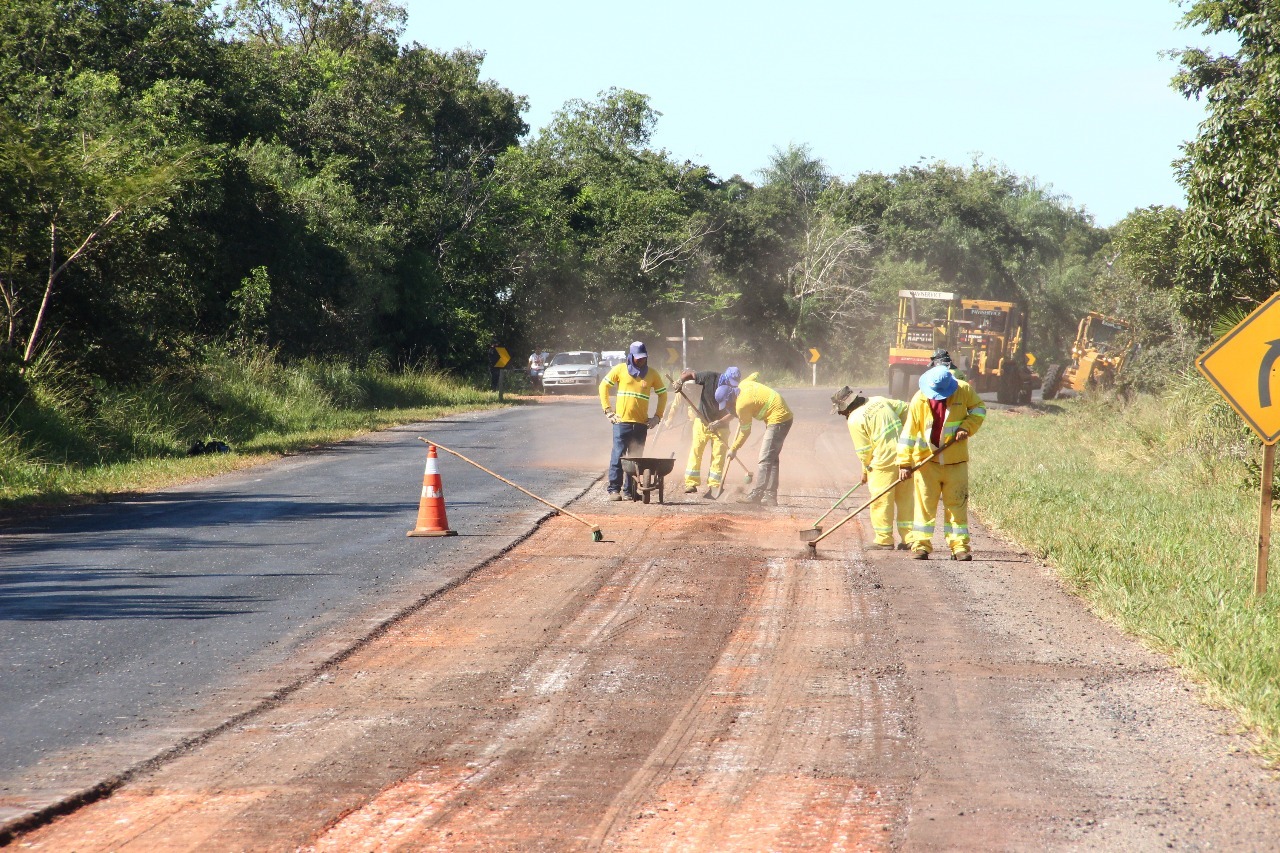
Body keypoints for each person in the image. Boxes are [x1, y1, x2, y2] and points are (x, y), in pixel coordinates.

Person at [896, 364, 986, 560]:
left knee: (956, 505)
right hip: (926, 464)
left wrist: (967, 427)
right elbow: (908, 434)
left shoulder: (963, 390)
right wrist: (904, 463)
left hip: (956, 462)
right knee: (924, 507)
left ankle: (959, 547)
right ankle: (921, 546)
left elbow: (979, 410)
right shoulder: (919, 399)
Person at [833, 386, 913, 550]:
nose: (841, 414)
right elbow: (907, 409)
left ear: (846, 406)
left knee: (881, 501)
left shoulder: (854, 419)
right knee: (905, 499)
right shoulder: (879, 400)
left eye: (841, 410)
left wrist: (865, 471)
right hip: (905, 456)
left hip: (883, 462)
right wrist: (906, 432)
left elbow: (864, 451)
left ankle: (884, 540)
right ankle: (910, 538)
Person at [599, 341, 668, 501]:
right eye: (638, 357)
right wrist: (608, 410)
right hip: (621, 422)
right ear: (631, 356)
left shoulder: (652, 374)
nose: (641, 360)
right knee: (618, 456)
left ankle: (630, 491)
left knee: (635, 459)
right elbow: (603, 386)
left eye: (643, 357)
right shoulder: (620, 369)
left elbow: (663, 394)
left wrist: (657, 417)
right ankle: (614, 490)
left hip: (641, 424)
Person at [728, 372, 793, 506]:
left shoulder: (741, 406)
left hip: (778, 420)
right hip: (784, 416)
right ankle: (770, 497)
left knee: (764, 459)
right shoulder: (744, 384)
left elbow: (745, 432)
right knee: (772, 459)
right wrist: (760, 392)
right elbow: (756, 374)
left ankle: (757, 494)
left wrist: (733, 448)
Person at [675, 366, 740, 498]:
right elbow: (691, 374)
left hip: (722, 426)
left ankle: (714, 486)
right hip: (702, 421)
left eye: (733, 383)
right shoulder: (710, 376)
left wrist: (719, 423)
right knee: (696, 450)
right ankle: (691, 483)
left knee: (719, 455)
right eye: (729, 382)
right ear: (725, 377)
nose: (731, 385)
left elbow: (734, 413)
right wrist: (680, 381)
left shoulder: (736, 391)